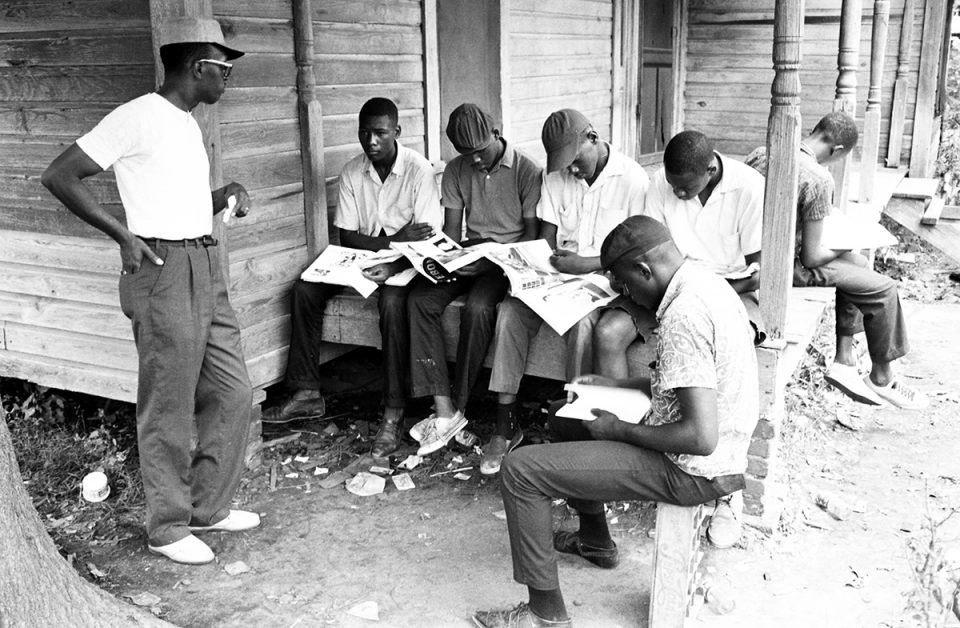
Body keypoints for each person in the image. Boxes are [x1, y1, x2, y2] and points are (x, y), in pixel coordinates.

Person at [41, 17, 259, 565]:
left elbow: (176, 201)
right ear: (198, 67)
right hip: (163, 268)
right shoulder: (136, 116)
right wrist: (122, 234)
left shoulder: (185, 122)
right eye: (225, 70)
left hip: (204, 261)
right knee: (168, 402)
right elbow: (59, 175)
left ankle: (208, 509)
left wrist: (223, 194)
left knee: (233, 391)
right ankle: (167, 527)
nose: (227, 80)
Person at [472, 216, 759, 628]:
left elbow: (699, 437)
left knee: (520, 471)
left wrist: (619, 430)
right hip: (709, 447)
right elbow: (689, 385)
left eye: (625, 286)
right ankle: (595, 541)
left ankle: (544, 615)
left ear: (645, 269)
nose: (627, 297)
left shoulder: (684, 315)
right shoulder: (703, 282)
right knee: (566, 415)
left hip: (695, 469)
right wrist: (614, 387)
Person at [263, 97, 443, 458]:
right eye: (365, 133)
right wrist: (395, 239)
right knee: (305, 289)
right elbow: (348, 237)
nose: (371, 141)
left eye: (379, 133)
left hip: (407, 262)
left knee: (393, 304)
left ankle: (393, 412)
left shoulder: (418, 171)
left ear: (397, 132)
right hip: (363, 257)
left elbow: (423, 240)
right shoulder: (351, 172)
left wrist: (394, 252)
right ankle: (305, 392)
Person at [484, 109, 649, 475]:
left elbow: (635, 254)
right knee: (510, 310)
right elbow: (547, 235)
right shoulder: (554, 176)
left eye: (575, 161)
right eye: (564, 164)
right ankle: (504, 423)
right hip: (559, 277)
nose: (571, 170)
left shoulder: (633, 179)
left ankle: (573, 424)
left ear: (593, 137)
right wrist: (537, 266)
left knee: (584, 325)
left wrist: (588, 264)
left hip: (605, 283)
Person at [745, 112, 928, 410]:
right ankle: (881, 378)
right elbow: (812, 257)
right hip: (779, 265)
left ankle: (845, 359)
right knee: (884, 289)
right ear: (838, 150)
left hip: (751, 254)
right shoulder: (818, 179)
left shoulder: (760, 153)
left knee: (858, 265)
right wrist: (848, 243)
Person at [406, 103, 542, 459]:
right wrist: (444, 258)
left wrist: (490, 255)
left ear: (496, 134)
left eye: (480, 152)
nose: (475, 161)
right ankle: (444, 406)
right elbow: (452, 232)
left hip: (506, 260)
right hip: (470, 253)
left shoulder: (526, 170)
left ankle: (462, 401)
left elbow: (529, 240)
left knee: (479, 307)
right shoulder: (456, 169)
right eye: (467, 155)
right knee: (420, 299)